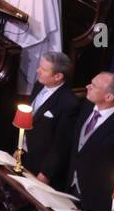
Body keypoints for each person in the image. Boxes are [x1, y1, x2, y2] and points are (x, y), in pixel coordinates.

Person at [67, 72, 114, 211]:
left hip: (98, 201)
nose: (87, 86)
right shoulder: (87, 107)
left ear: (108, 97)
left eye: (94, 86)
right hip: (71, 189)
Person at [23, 51, 82, 185]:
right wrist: (20, 147)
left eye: (43, 69)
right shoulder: (39, 85)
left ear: (58, 76)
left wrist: (46, 173)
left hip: (41, 169)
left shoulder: (69, 103)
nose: (38, 71)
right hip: (24, 156)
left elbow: (61, 144)